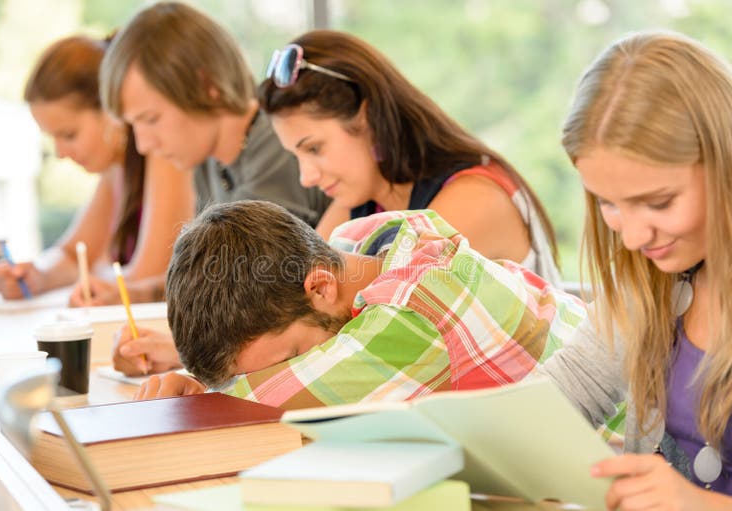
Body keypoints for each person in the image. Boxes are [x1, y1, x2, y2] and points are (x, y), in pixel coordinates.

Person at [132, 200, 585, 409]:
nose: (286, 371)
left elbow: (262, 406)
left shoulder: (412, 315)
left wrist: (203, 398)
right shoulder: (357, 245)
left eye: (291, 357)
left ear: (321, 287)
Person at [539, 32, 732, 509]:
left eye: (659, 202)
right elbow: (566, 392)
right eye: (609, 203)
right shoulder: (654, 276)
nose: (631, 239)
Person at [258, 30, 562, 287]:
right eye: (296, 156)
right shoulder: (359, 202)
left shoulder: (475, 198)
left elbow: (360, 306)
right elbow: (299, 294)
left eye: (314, 149)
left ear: (368, 118)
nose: (306, 177)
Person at [85, 1, 329, 305]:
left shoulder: (277, 147)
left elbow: (253, 294)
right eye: (134, 126)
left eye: (150, 119)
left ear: (206, 86)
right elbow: (216, 274)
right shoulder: (207, 161)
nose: (143, 145)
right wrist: (135, 293)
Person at [0, 35, 195, 303]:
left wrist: (96, 283)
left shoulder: (162, 152)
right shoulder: (116, 169)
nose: (61, 153)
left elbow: (151, 274)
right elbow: (75, 255)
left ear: (110, 110)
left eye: (68, 134)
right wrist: (38, 276)